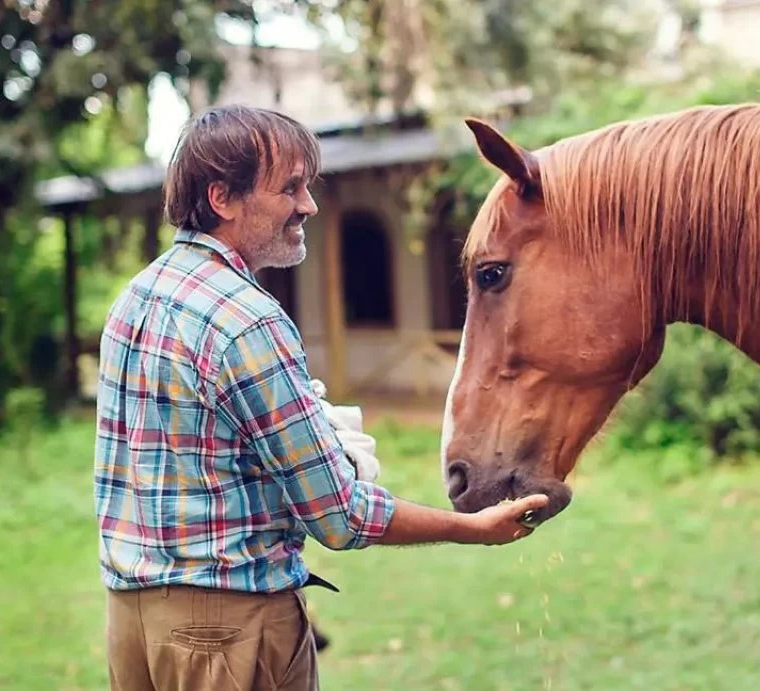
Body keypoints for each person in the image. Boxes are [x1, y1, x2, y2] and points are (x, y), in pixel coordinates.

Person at [94, 104, 546, 691]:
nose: (308, 204)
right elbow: (338, 515)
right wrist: (477, 527)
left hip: (132, 622)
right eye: (290, 188)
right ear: (223, 198)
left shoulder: (137, 296)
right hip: (225, 632)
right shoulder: (246, 319)